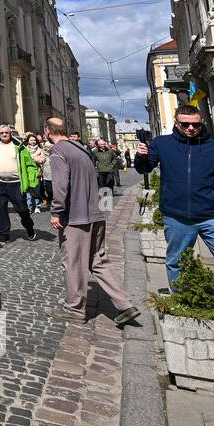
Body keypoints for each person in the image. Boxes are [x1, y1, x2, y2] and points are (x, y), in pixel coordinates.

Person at [134, 104, 214, 300]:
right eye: (185, 124)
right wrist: (141, 156)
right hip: (177, 217)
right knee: (176, 262)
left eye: (195, 125)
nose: (191, 129)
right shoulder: (162, 144)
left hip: (213, 217)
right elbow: (144, 168)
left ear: (201, 122)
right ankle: (182, 301)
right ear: (176, 123)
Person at [46, 117, 140, 326]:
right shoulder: (81, 149)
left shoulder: (58, 151)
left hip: (76, 217)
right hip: (95, 213)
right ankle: (125, 304)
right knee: (98, 260)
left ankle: (75, 308)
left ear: (47, 131)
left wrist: (56, 211)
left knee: (73, 263)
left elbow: (60, 186)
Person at [0, 124, 37, 244]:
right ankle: (4, 234)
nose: (4, 134)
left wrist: (32, 181)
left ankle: (29, 227)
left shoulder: (19, 146)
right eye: (1, 133)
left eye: (6, 132)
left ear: (10, 133)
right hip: (0, 183)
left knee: (22, 209)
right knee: (1, 210)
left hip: (16, 184)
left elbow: (30, 165)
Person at [23, 132, 46, 213]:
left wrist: (32, 157)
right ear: (28, 141)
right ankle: (29, 206)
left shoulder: (40, 150)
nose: (33, 142)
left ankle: (37, 206)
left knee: (36, 190)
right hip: (27, 173)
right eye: (31, 140)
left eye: (34, 140)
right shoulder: (24, 149)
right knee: (28, 191)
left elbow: (42, 160)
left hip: (37, 173)